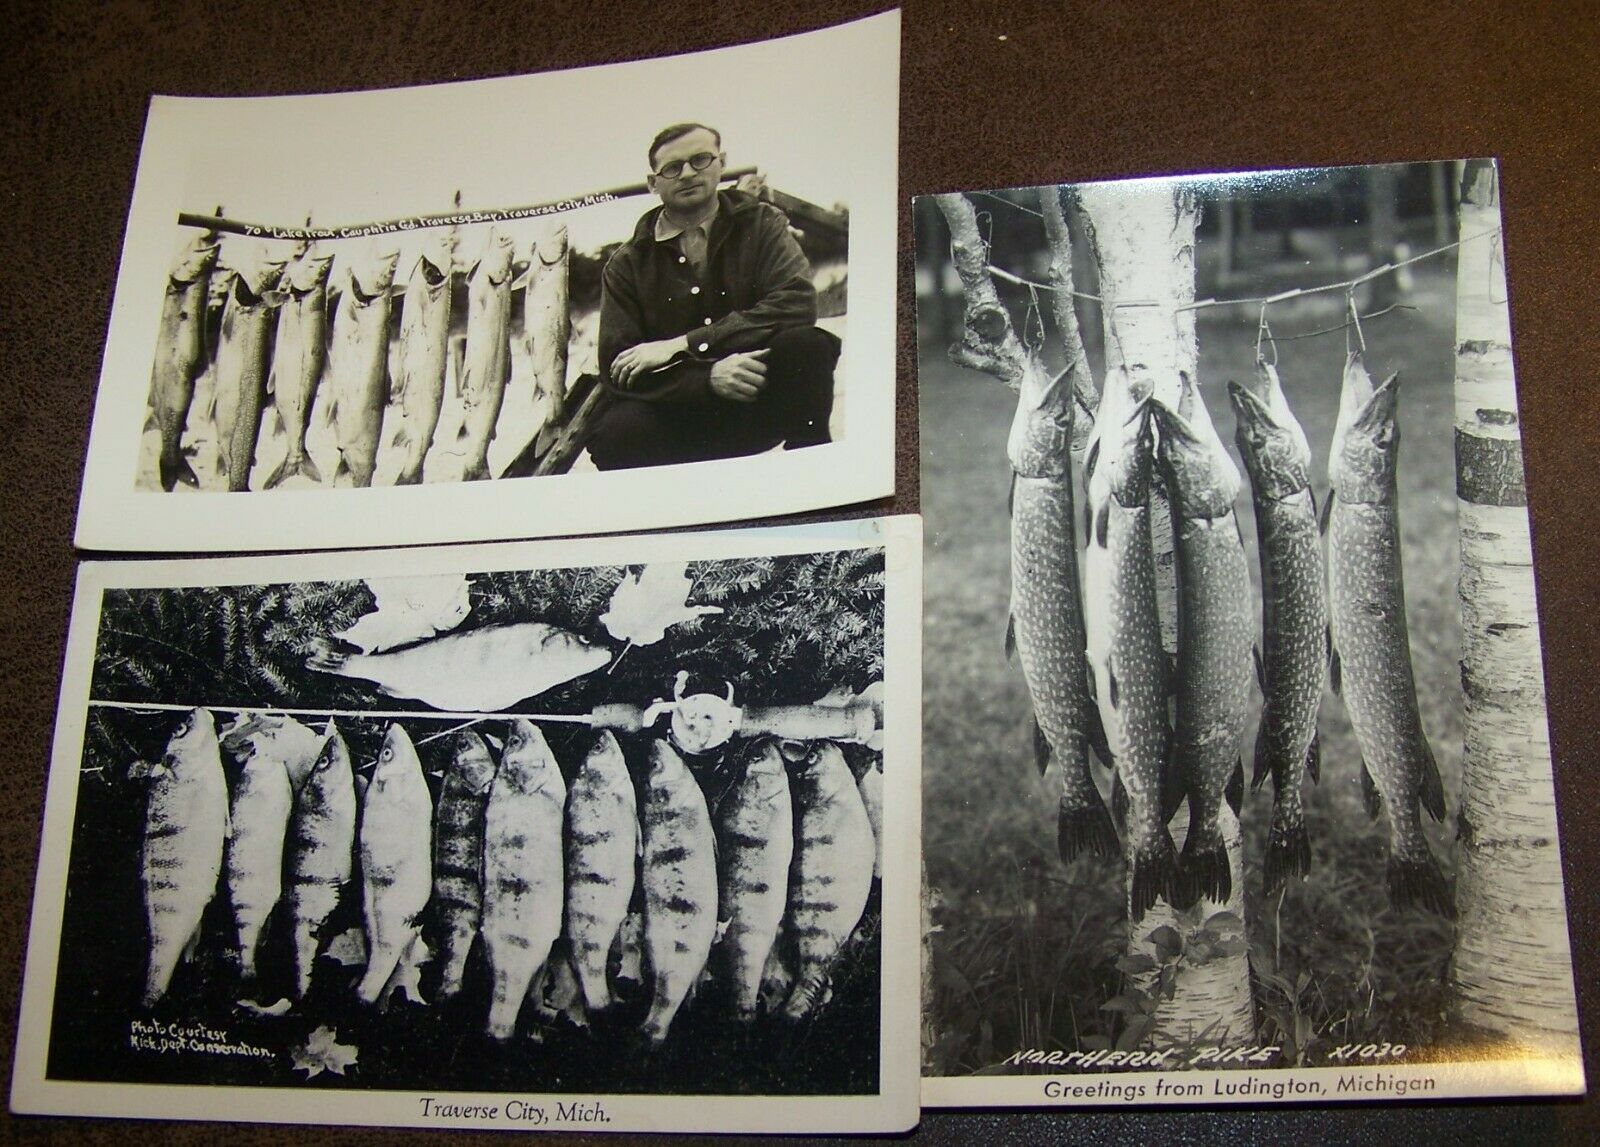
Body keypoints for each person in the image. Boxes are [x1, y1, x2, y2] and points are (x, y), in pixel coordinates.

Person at [587, 123, 840, 470]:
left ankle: (814, 483)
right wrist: (706, 379)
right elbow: (618, 363)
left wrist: (686, 343)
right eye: (672, 168)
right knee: (615, 432)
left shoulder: (762, 224)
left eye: (700, 160)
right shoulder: (625, 264)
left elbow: (796, 303)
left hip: (756, 397)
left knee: (807, 345)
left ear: (721, 163)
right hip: (679, 418)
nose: (688, 173)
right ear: (653, 183)